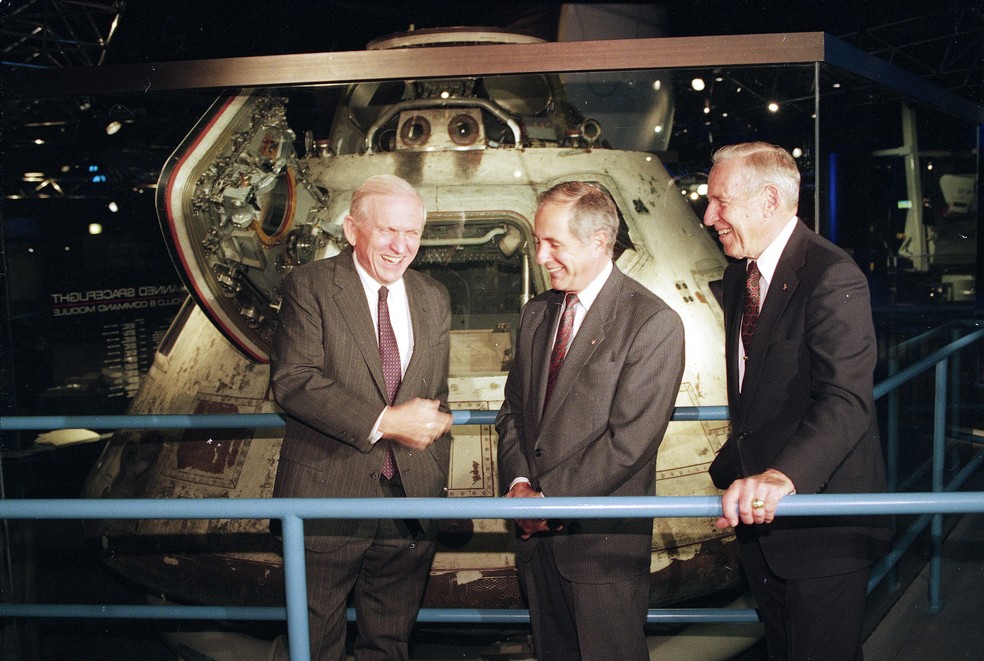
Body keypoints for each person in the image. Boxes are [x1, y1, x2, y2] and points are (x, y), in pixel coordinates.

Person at [703, 142, 888, 660]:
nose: (708, 215)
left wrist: (783, 476)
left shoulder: (833, 275)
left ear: (768, 200)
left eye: (720, 201)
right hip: (760, 526)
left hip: (823, 530)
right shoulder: (741, 273)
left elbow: (846, 399)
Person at [496, 181, 685, 660]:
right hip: (536, 546)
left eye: (553, 243)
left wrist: (548, 502)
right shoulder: (537, 313)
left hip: (602, 550)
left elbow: (629, 443)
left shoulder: (652, 323)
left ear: (600, 241)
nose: (540, 257)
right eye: (538, 240)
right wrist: (520, 483)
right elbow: (514, 411)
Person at [270, 174, 453, 661]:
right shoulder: (309, 287)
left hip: (408, 503)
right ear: (352, 230)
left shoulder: (434, 297)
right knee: (314, 640)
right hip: (326, 499)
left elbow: (436, 395)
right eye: (388, 231)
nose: (401, 246)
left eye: (413, 232)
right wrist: (388, 421)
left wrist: (434, 476)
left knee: (390, 641)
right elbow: (295, 381)